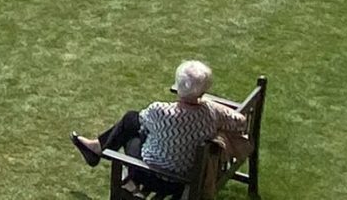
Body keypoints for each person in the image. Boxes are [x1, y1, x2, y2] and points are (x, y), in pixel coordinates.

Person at [70, 60, 248, 178]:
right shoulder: (212, 112)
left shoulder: (161, 112)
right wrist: (210, 105)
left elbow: (141, 122)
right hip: (190, 172)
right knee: (132, 121)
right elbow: (241, 121)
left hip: (156, 176)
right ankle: (96, 148)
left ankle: (99, 150)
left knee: (130, 126)